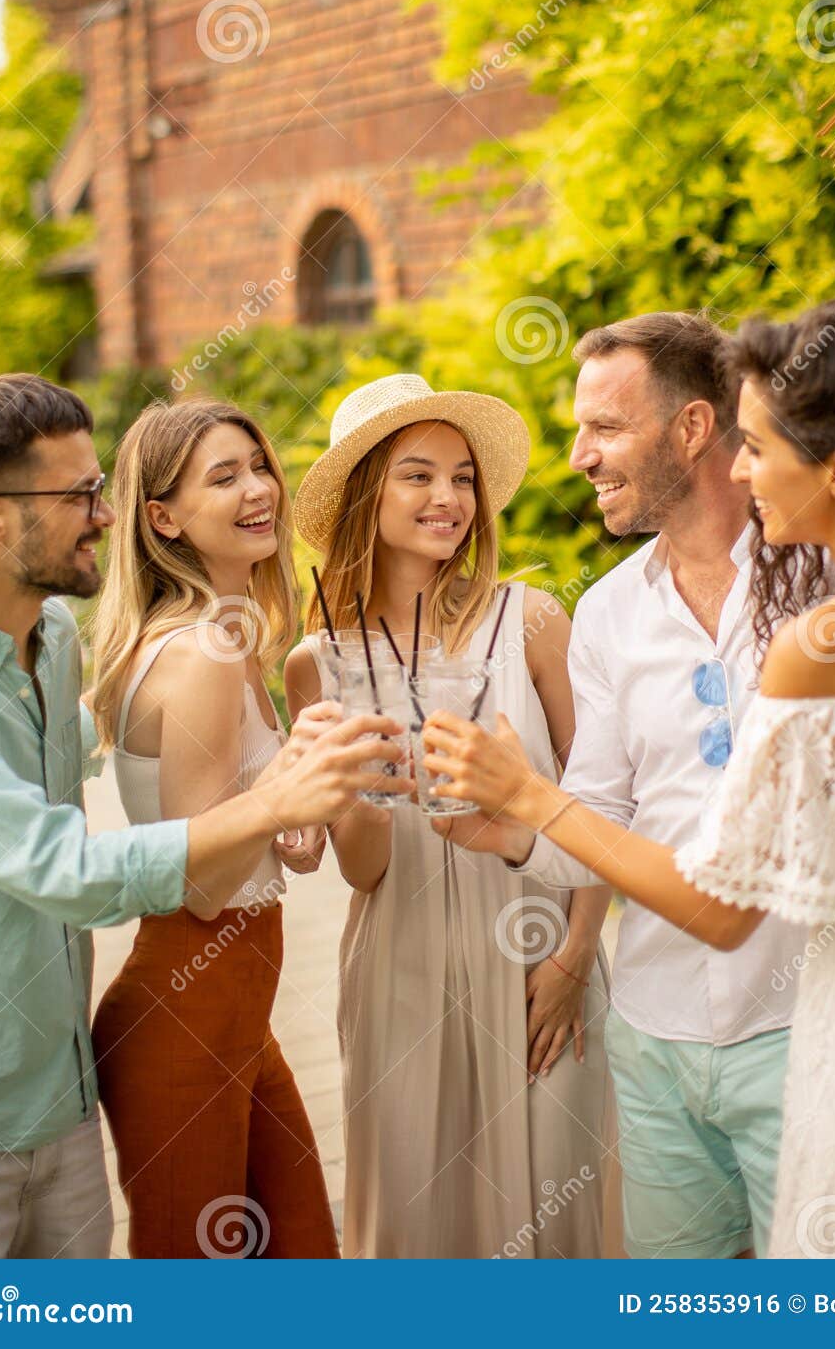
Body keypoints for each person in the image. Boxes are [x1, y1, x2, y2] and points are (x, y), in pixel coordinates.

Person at [0, 375, 402, 1260]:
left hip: (59, 1090)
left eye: (98, 490)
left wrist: (270, 809)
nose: (102, 516)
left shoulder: (56, 645)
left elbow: (163, 789)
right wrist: (276, 799)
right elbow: (69, 872)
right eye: (77, 495)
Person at [423, 299, 835, 1259]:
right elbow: (603, 811)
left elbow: (728, 891)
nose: (580, 456)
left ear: (692, 426)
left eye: (603, 426)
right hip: (657, 1037)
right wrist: (521, 832)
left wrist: (533, 797)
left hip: (806, 1021)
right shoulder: (606, 612)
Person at [285, 373, 612, 1259]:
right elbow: (361, 869)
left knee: (563, 1213)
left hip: (541, 949)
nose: (448, 498)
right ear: (366, 495)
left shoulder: (533, 620)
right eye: (417, 475)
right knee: (424, 1224)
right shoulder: (316, 664)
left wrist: (578, 957)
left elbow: (600, 803)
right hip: (403, 964)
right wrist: (356, 790)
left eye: (462, 477)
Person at [90, 399, 352, 1258]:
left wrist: (296, 824)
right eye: (223, 476)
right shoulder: (203, 649)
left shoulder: (230, 640)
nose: (257, 489)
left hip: (237, 1017)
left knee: (301, 1255)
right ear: (162, 518)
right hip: (185, 1015)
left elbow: (255, 842)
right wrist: (290, 780)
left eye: (258, 465)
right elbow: (199, 882)